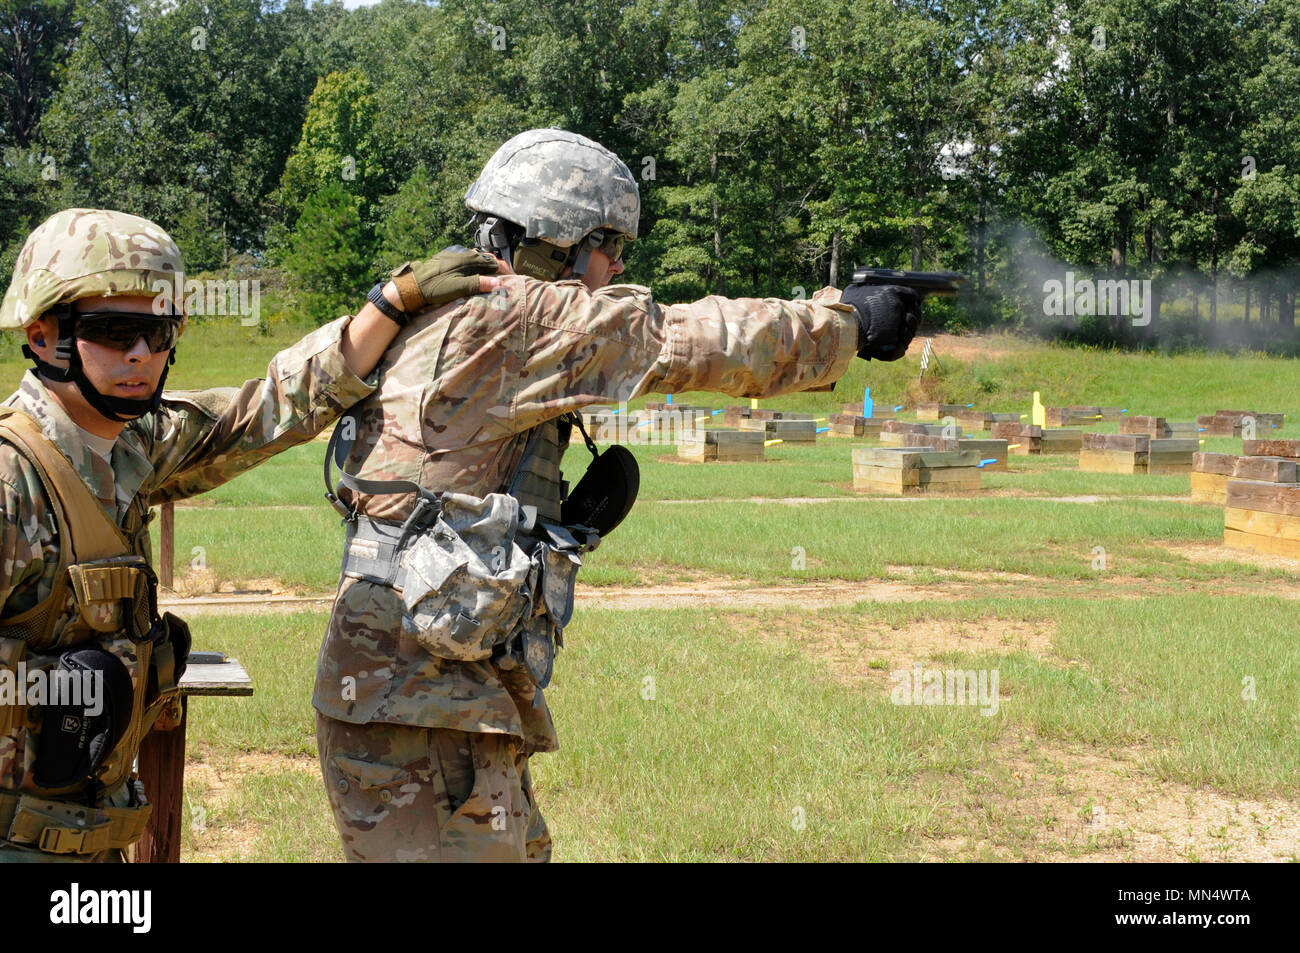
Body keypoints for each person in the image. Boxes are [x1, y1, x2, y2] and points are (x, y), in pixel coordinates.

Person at [313, 128, 923, 863]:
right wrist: (849, 323)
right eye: (608, 245)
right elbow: (704, 342)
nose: (620, 266)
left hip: (420, 693)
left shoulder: (446, 311)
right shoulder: (520, 318)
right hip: (421, 703)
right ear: (553, 244)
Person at [0, 208, 496, 862]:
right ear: (42, 338)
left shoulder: (130, 449)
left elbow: (264, 410)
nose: (142, 354)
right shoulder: (13, 480)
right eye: (113, 330)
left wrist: (391, 303)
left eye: (159, 330)